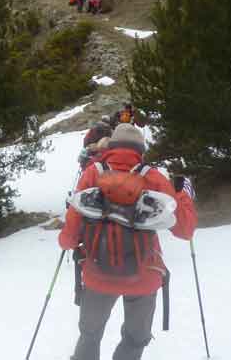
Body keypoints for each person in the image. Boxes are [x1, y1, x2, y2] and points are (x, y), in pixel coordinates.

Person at [60, 124, 197, 360]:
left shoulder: (93, 173)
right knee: (135, 339)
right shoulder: (153, 177)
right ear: (140, 151)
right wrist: (184, 194)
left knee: (90, 335)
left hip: (97, 274)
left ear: (110, 147)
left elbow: (67, 239)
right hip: (144, 275)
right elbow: (185, 230)